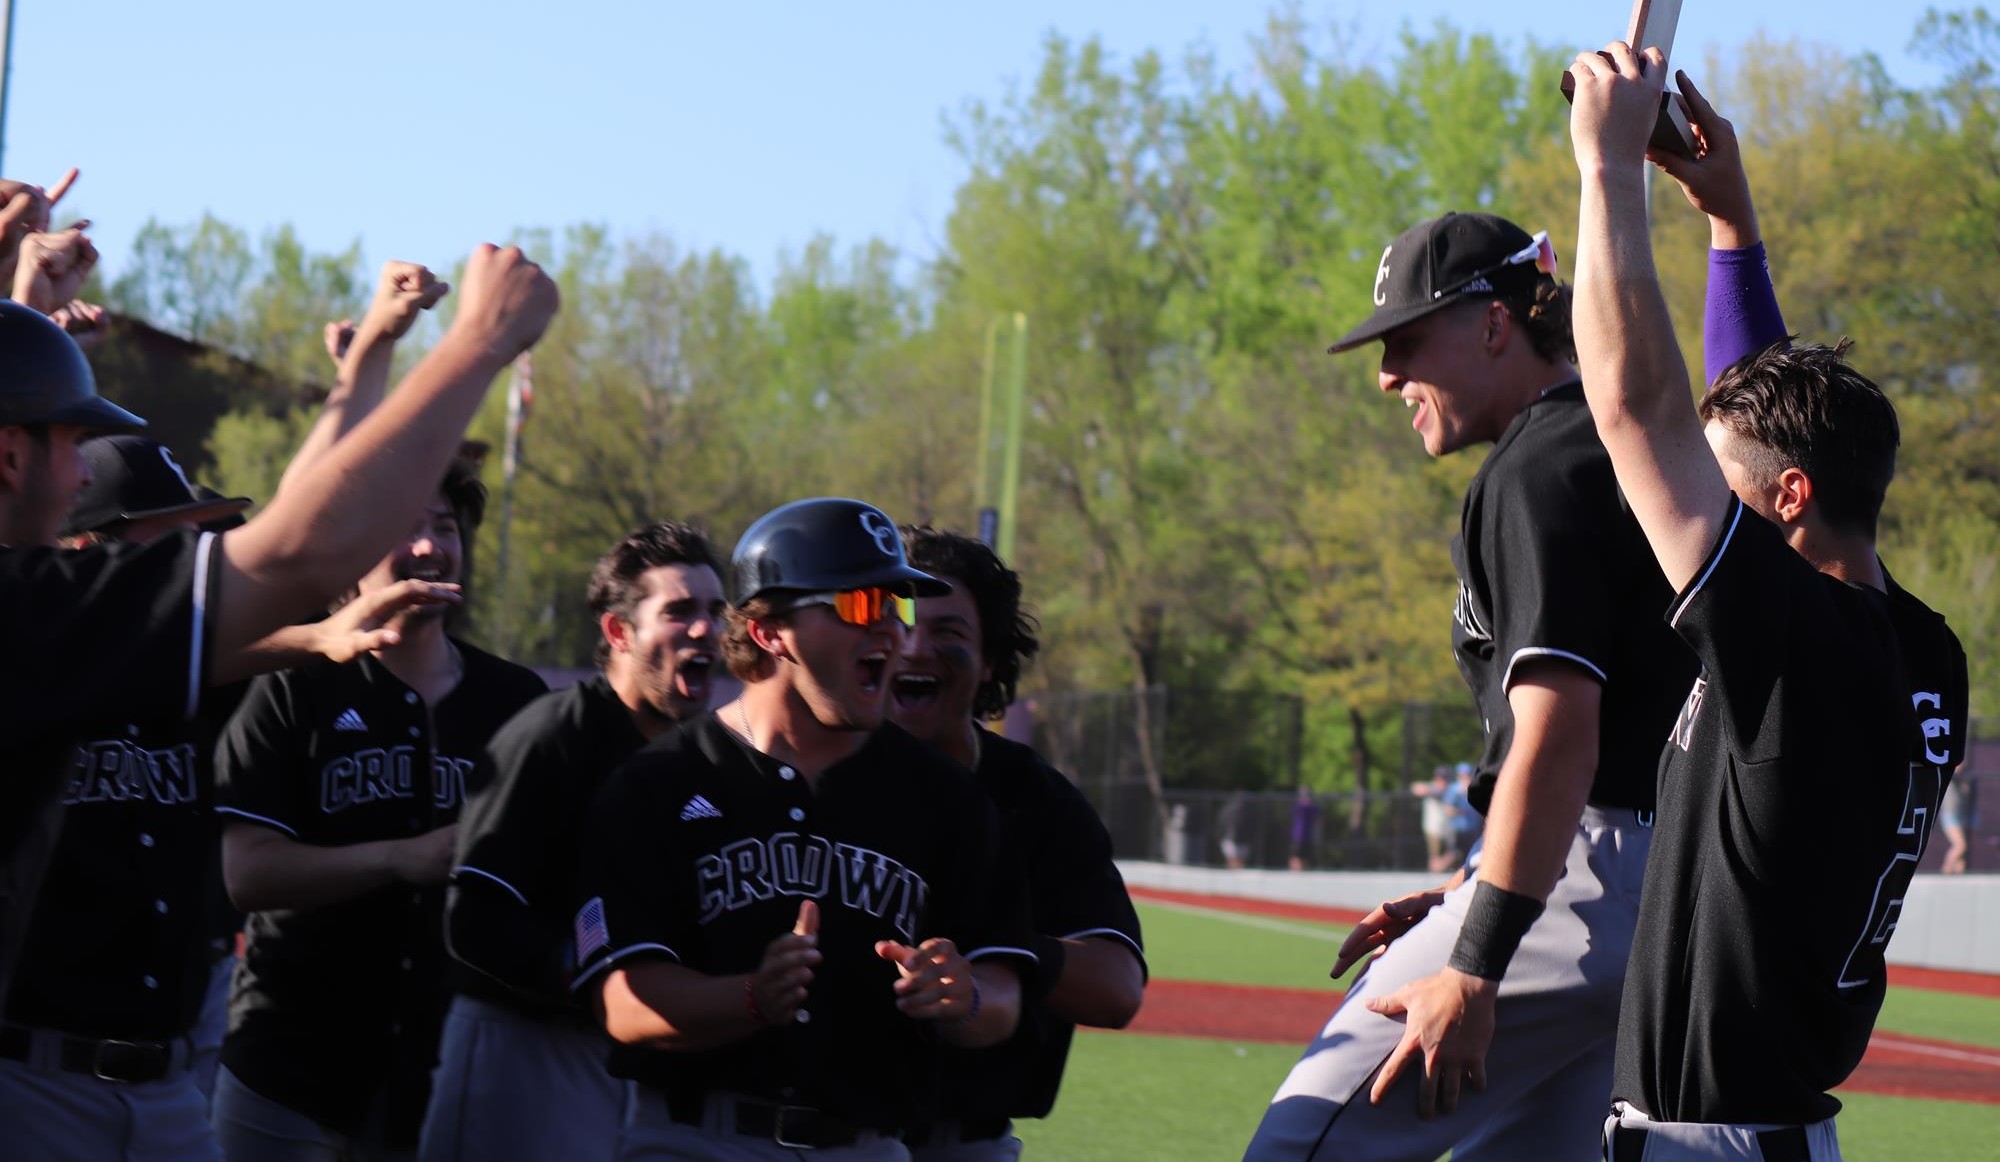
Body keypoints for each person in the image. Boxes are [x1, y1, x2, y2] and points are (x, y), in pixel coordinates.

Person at [1567, 48, 1969, 1159]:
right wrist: (1728, 226)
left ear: (1787, 502)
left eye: (1726, 489)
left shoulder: (1798, 649)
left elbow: (1635, 408)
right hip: (1768, 1130)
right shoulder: (1911, 645)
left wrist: (1606, 170)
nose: (1703, 505)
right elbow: (1761, 428)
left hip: (1708, 1140)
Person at [1243, 208, 1697, 1161]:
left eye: (1407, 340)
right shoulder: (1627, 451)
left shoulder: (1534, 469)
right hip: (1671, 907)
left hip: (1576, 890)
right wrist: (1471, 880)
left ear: (1495, 322)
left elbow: (1562, 735)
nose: (1386, 375)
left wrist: (1478, 951)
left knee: (1297, 1148)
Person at [0, 240, 559, 1008]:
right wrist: (479, 341)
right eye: (68, 446)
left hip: (169, 1051)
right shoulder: (40, 612)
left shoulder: (85, 633)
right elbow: (299, 548)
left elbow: (298, 526)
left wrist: (370, 352)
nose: (79, 470)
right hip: (42, 1070)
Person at [0, 436, 456, 1162]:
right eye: (177, 534)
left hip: (172, 1084)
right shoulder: (32, 659)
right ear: (92, 547)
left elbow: (280, 572)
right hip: (34, 1083)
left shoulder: (199, 679)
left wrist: (314, 638)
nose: (203, 548)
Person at [573, 497, 1035, 1161]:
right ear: (769, 631)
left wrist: (963, 997)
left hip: (868, 1146)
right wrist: (750, 999)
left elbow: (1003, 999)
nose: (891, 633)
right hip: (696, 1142)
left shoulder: (945, 798)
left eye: (894, 606)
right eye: (857, 606)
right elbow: (621, 1003)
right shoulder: (659, 782)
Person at [210, 454, 549, 1162]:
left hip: (444, 1079)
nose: (430, 545)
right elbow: (247, 873)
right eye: (403, 525)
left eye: (445, 526)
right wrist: (402, 859)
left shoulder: (518, 702)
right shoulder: (292, 684)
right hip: (287, 1072)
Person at [421, 521, 729, 1162]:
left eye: (715, 611)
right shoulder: (552, 735)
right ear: (619, 632)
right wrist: (598, 977)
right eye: (679, 611)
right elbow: (474, 919)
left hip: (633, 1061)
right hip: (523, 1047)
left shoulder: (701, 758)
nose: (705, 630)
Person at [889, 525, 1146, 1159]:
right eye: (894, 624)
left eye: (948, 633)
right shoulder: (811, 777)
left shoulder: (1035, 799)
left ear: (990, 664)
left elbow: (1117, 987)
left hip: (962, 1139)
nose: (914, 648)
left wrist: (997, 955)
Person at [1411, 768, 1455, 873]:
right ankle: (1435, 874)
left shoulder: (1451, 791)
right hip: (1433, 828)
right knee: (1435, 855)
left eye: (1444, 779)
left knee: (1453, 853)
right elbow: (1415, 788)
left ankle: (1438, 870)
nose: (1442, 781)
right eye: (1439, 778)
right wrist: (1430, 790)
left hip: (1447, 829)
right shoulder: (1432, 788)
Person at [1940, 761, 1973, 875]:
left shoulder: (1965, 777)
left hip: (1960, 815)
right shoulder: (1949, 775)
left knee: (1962, 852)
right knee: (1960, 845)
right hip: (1950, 815)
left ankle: (1959, 874)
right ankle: (1946, 870)